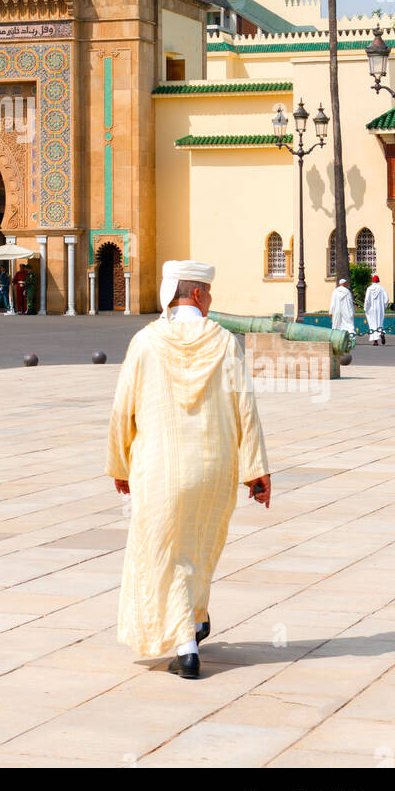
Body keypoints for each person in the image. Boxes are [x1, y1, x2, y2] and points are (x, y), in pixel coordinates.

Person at [106, 260, 271, 680]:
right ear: (197, 295)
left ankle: (185, 646)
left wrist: (119, 464)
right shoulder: (226, 343)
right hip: (215, 469)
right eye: (209, 294)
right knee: (198, 549)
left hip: (160, 471)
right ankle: (195, 622)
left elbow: (122, 410)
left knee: (168, 554)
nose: (212, 301)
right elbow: (245, 409)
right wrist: (256, 470)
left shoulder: (144, 342)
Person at [363, 274, 389, 345]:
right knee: (380, 322)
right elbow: (386, 299)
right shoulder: (382, 288)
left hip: (371, 309)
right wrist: (384, 306)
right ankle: (381, 333)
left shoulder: (369, 289)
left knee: (373, 324)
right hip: (380, 309)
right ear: (378, 281)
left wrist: (366, 308)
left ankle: (375, 341)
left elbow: (367, 300)